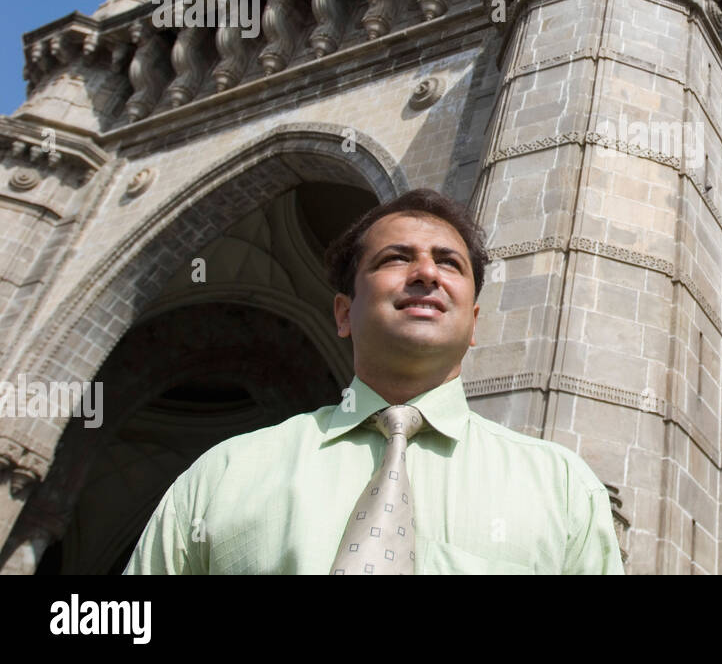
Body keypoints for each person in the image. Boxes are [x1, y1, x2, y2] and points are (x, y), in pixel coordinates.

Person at [123, 189, 624, 574]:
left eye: (449, 262)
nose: (426, 272)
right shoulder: (223, 475)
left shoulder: (561, 488)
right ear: (343, 313)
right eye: (396, 258)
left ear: (474, 323)